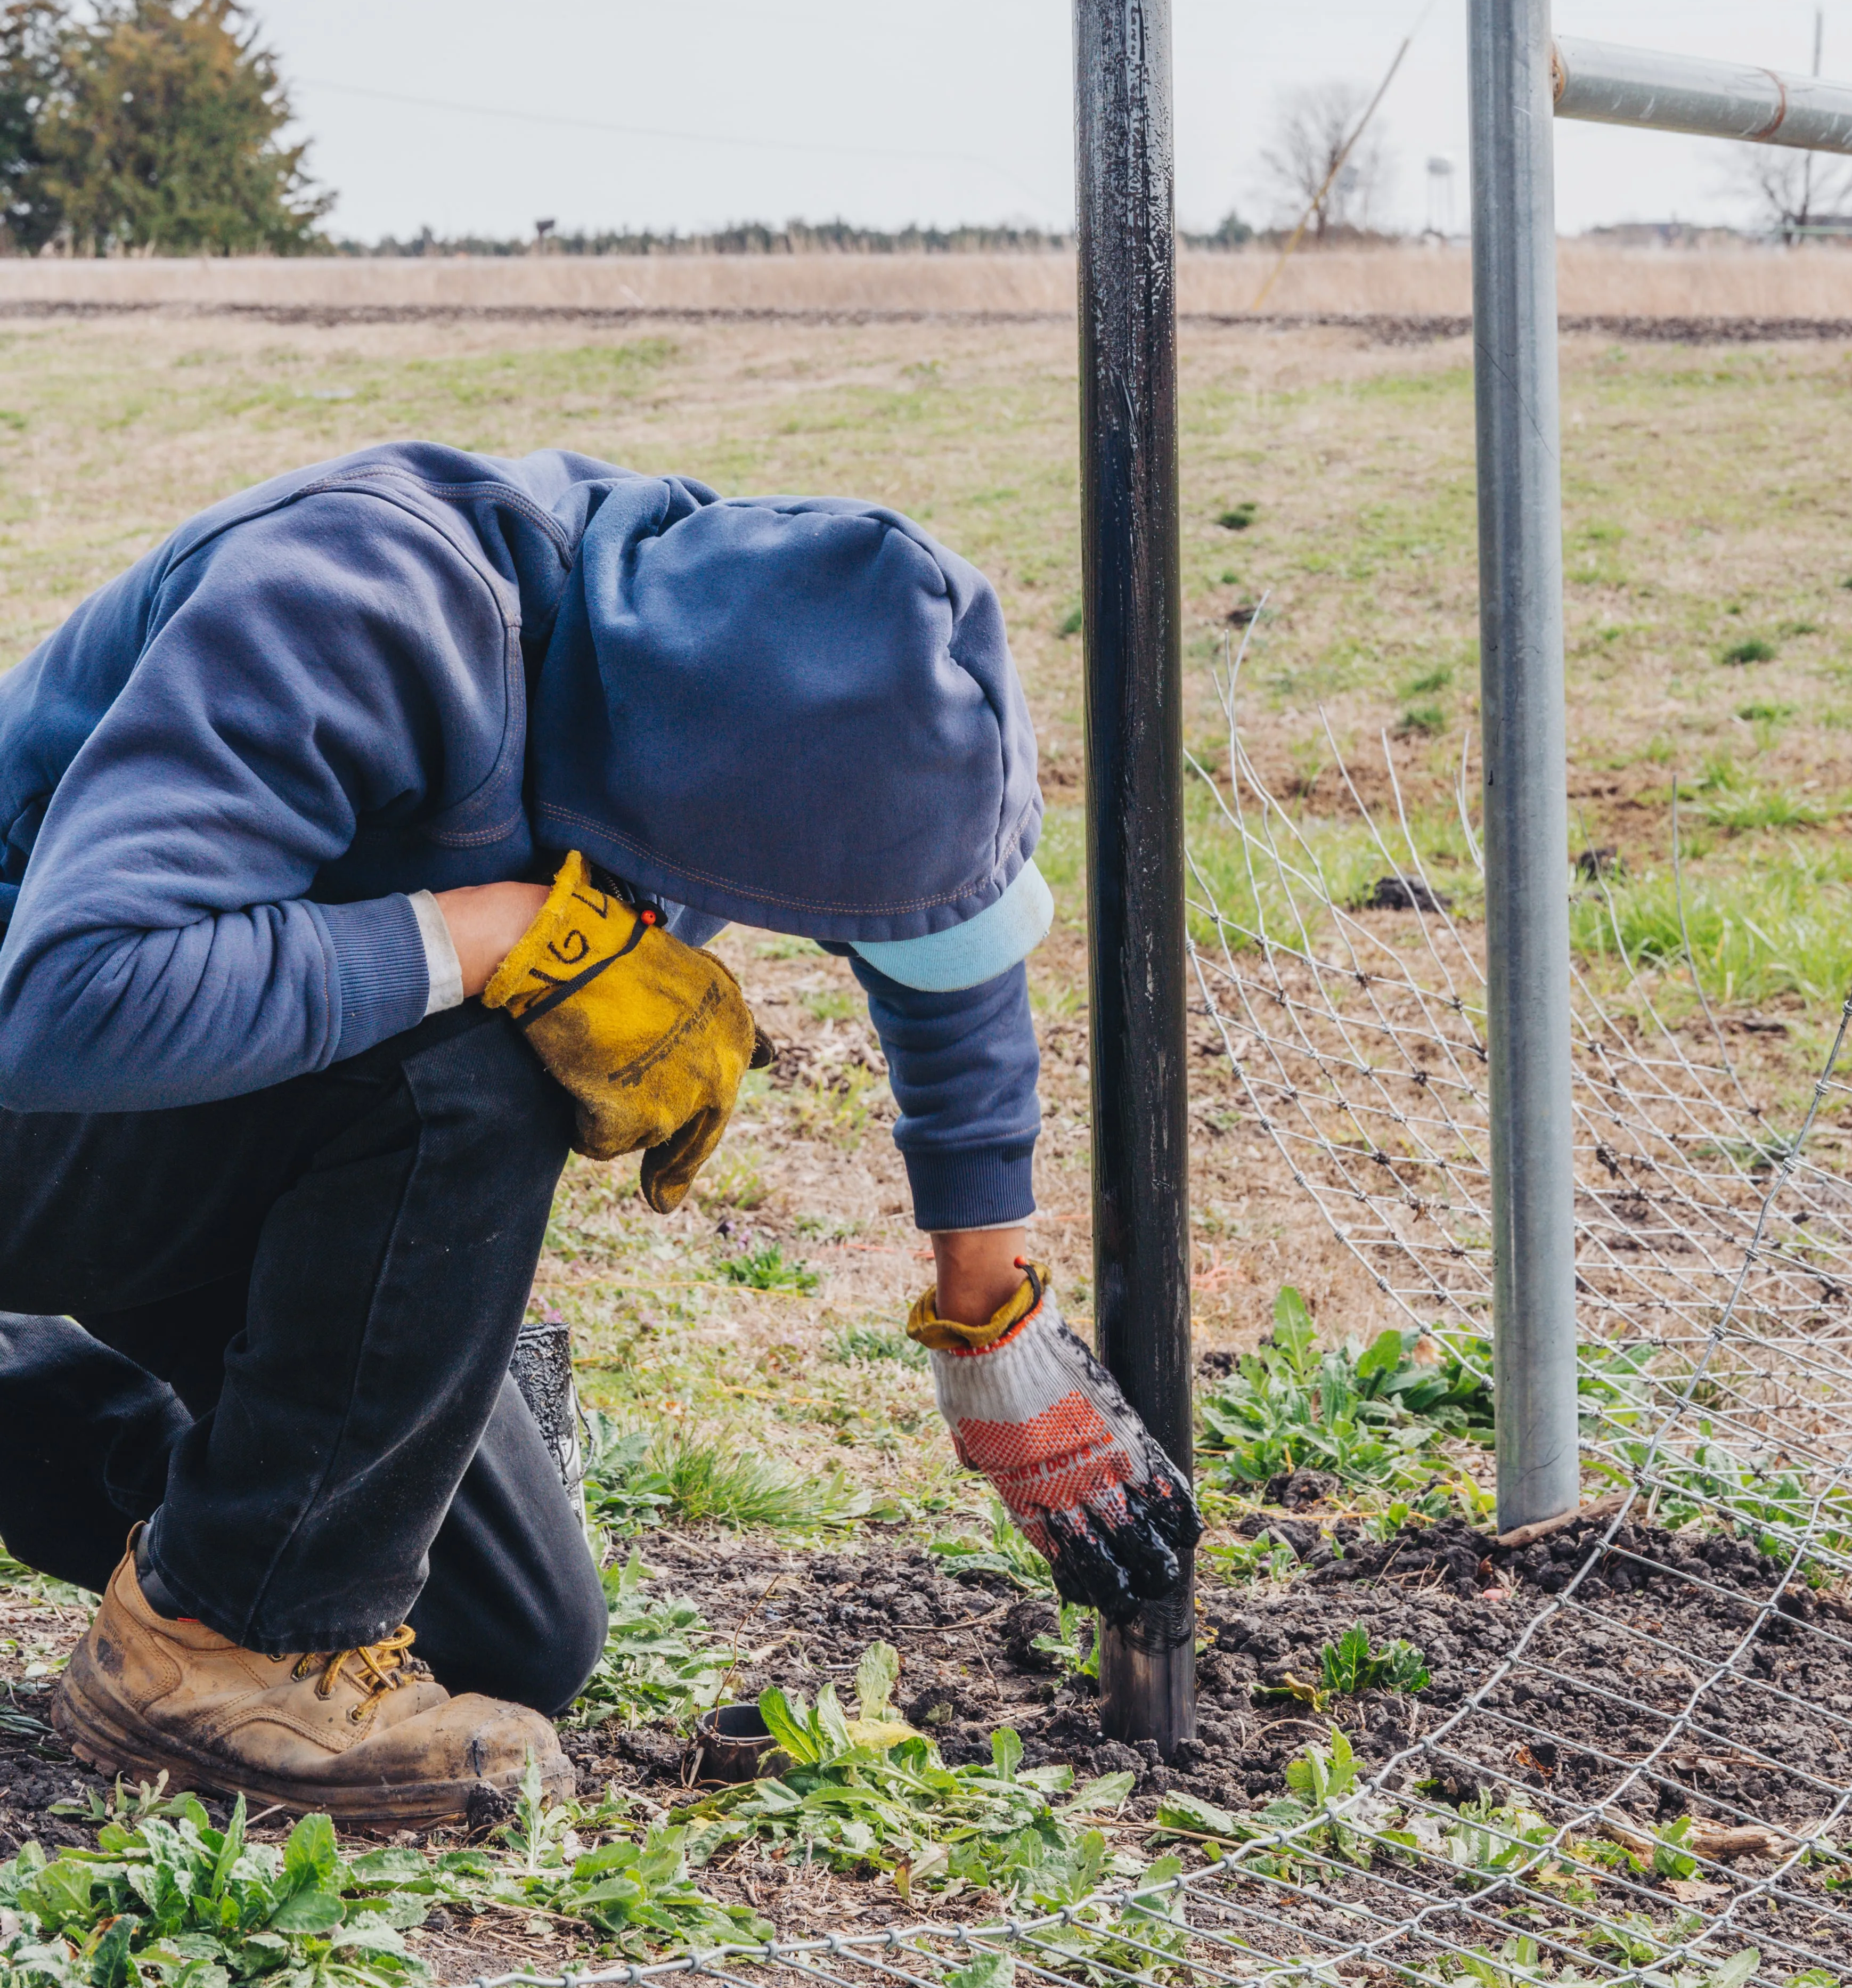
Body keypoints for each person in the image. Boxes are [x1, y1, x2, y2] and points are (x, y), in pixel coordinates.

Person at [0, 443, 1197, 1822]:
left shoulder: (715, 676)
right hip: (46, 1077)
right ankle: (213, 1654)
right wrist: (502, 931)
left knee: (514, 1632)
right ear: (698, 802)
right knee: (479, 1066)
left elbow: (946, 962)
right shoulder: (355, 601)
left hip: (226, 1128)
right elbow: (64, 1002)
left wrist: (990, 1314)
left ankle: (187, 1534)